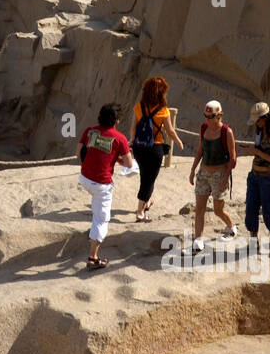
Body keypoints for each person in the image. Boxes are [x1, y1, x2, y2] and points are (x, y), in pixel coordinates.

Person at [77, 104, 134, 270]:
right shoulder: (120, 138)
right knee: (101, 220)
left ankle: (93, 238)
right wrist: (116, 158)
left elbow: (78, 152)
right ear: (117, 120)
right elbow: (129, 164)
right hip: (101, 184)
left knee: (97, 209)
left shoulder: (90, 131)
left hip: (84, 178)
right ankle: (92, 257)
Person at [187, 100, 237, 253]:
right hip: (203, 172)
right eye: (206, 116)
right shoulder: (204, 128)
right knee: (199, 208)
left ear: (219, 115)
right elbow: (200, 150)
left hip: (219, 173)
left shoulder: (226, 132)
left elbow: (232, 158)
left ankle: (231, 226)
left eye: (211, 116)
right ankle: (198, 239)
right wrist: (193, 169)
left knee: (217, 209)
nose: (208, 119)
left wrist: (225, 178)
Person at [130, 77, 184, 223]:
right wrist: (179, 142)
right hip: (155, 148)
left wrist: (132, 142)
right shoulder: (163, 110)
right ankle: (140, 211)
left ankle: (146, 202)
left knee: (145, 176)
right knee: (149, 180)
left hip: (139, 147)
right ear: (161, 93)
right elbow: (170, 131)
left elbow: (133, 127)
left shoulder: (139, 106)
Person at [240, 102, 270, 257]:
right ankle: (254, 243)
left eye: (258, 120)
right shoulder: (259, 132)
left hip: (268, 178)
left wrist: (257, 152)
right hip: (254, 176)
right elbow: (259, 151)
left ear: (264, 118)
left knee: (269, 210)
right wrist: (252, 151)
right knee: (251, 210)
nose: (256, 123)